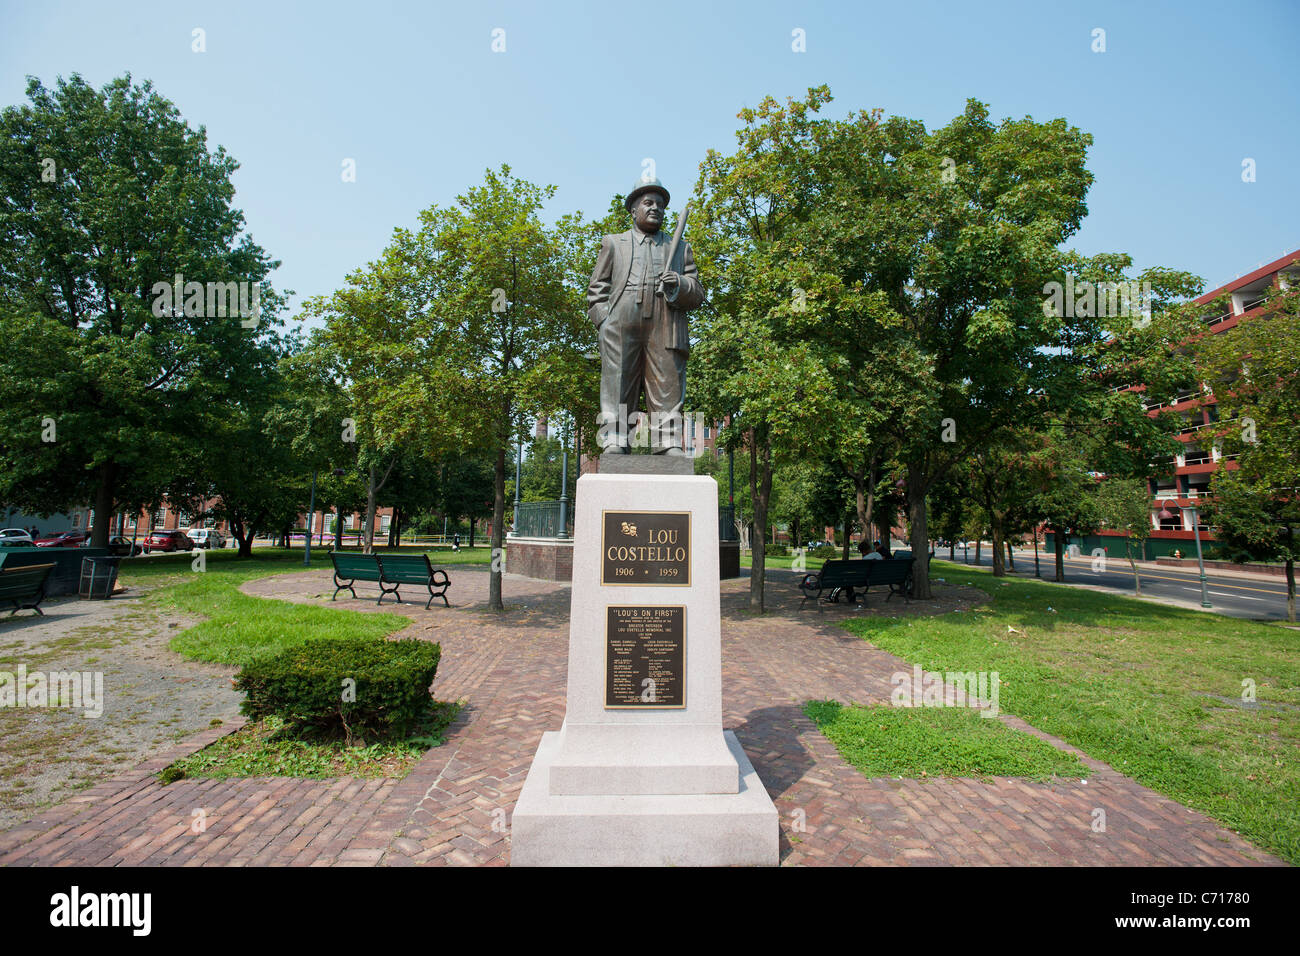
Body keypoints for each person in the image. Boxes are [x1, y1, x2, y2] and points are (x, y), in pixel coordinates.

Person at [587, 177, 706, 455]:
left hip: (665, 320)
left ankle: (667, 442)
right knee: (617, 381)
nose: (655, 209)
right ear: (633, 210)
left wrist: (678, 282)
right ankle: (614, 438)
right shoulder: (614, 243)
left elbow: (697, 291)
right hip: (620, 320)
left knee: (667, 381)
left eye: (661, 205)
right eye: (648, 203)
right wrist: (604, 321)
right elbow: (597, 288)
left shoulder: (680, 248)